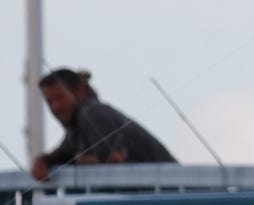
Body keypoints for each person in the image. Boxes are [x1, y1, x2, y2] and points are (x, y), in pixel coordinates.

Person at [32, 68, 173, 182]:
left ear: (80, 91)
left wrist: (82, 160)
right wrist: (41, 161)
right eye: (49, 101)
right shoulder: (75, 128)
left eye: (60, 98)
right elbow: (63, 156)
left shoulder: (93, 113)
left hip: (171, 194)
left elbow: (114, 159)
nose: (55, 107)